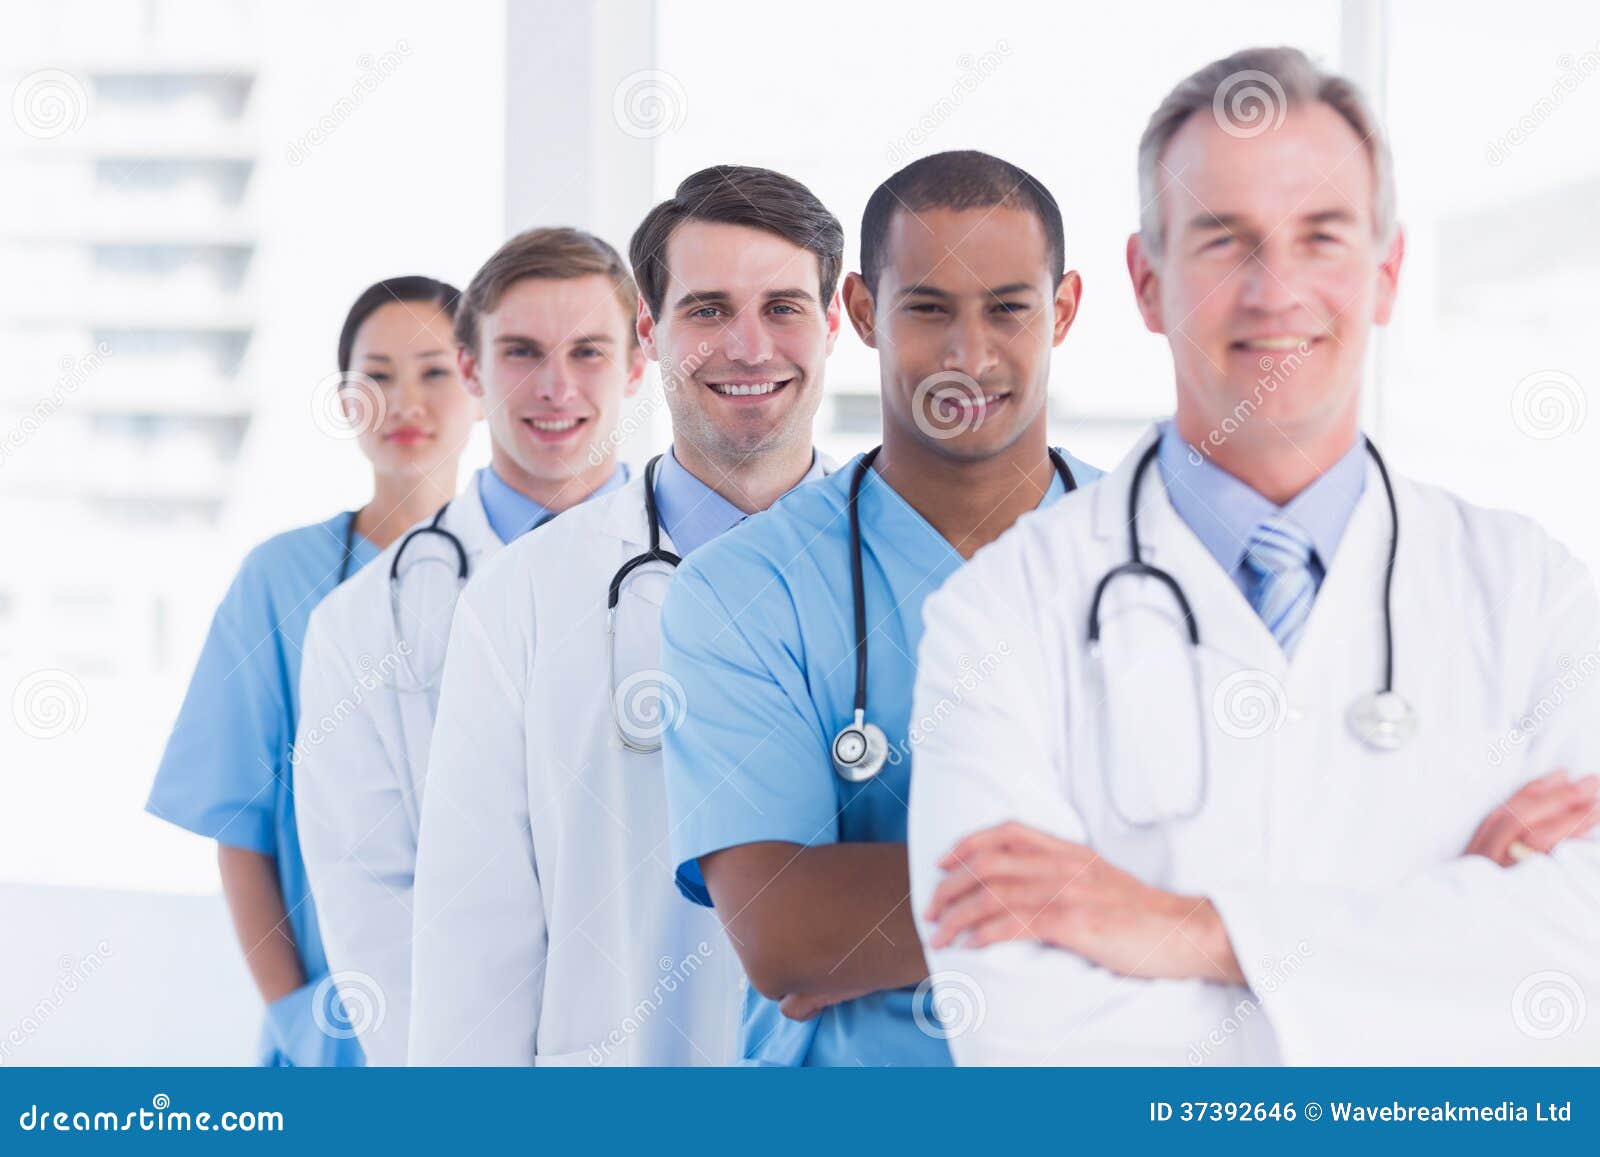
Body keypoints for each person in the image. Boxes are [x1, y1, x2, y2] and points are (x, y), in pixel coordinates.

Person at [908, 47, 1600, 1065]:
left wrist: (1187, 930)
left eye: (1320, 237)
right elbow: (1021, 1034)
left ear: (1386, 272)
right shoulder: (999, 614)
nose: (1275, 290)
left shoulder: (1532, 593)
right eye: (1225, 240)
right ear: (1148, 282)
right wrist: (1435, 953)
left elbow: (1571, 985)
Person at [658, 151, 1104, 1066]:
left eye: (1009, 308)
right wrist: (1118, 881)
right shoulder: (744, 591)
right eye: (928, 307)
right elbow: (787, 933)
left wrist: (883, 910)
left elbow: (1262, 872)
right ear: (861, 311)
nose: (967, 355)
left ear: (1062, 310)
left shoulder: (1151, 557)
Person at [407, 165, 843, 1066]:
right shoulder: (523, 598)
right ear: (653, 330)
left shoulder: (912, 580)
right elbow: (472, 951)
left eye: (786, 307)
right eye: (709, 309)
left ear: (835, 324)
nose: (750, 346)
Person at [294, 228, 644, 1065]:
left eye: (589, 351)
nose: (556, 387)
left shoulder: (714, 582)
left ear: (639, 363)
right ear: (475, 371)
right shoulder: (360, 626)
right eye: (521, 352)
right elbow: (374, 909)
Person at [145, 276, 476, 1066]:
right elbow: (242, 826)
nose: (405, 402)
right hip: (337, 1035)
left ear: (481, 382)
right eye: (377, 376)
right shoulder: (279, 579)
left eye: (433, 370)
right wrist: (298, 1015)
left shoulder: (527, 576)